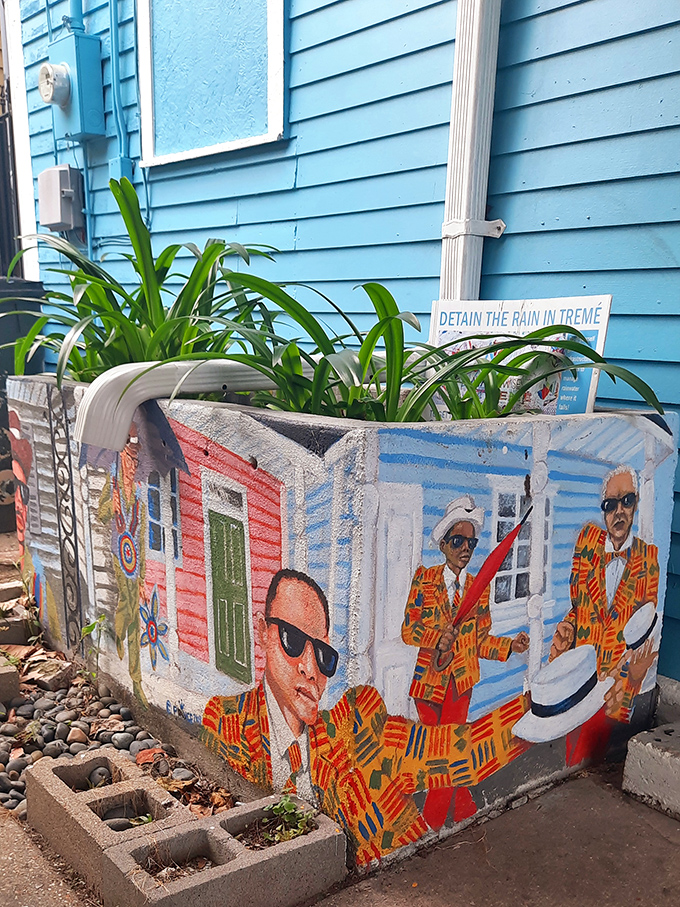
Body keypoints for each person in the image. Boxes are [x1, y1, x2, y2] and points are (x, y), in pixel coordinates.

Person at [201, 568, 529, 867]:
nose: (310, 669)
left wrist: (535, 708)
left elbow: (454, 751)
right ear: (262, 632)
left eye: (324, 656)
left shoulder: (355, 727)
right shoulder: (227, 722)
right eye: (293, 640)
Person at [401, 495, 529, 827]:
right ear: (443, 544)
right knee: (439, 755)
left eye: (471, 542)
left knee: (450, 755)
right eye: (457, 540)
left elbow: (481, 640)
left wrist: (510, 646)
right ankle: (460, 811)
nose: (465, 549)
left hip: (460, 684)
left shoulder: (478, 589)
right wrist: (434, 638)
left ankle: (434, 822)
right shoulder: (424, 580)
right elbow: (408, 630)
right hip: (428, 683)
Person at [549, 466, 659, 763]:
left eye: (627, 501)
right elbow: (578, 606)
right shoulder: (586, 543)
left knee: (595, 759)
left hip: (615, 687)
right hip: (578, 679)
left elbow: (643, 633)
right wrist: (567, 629)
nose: (619, 512)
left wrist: (630, 680)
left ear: (636, 504)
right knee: (566, 756)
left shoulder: (648, 560)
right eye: (610, 505)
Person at [97, 422, 148, 706]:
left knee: (135, 616)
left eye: (137, 459)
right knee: (127, 609)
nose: (134, 464)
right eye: (131, 458)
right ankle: (119, 635)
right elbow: (101, 514)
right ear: (122, 456)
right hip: (120, 555)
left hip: (135, 560)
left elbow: (142, 533)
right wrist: (112, 504)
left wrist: (141, 577)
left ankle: (136, 679)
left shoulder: (140, 489)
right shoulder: (113, 482)